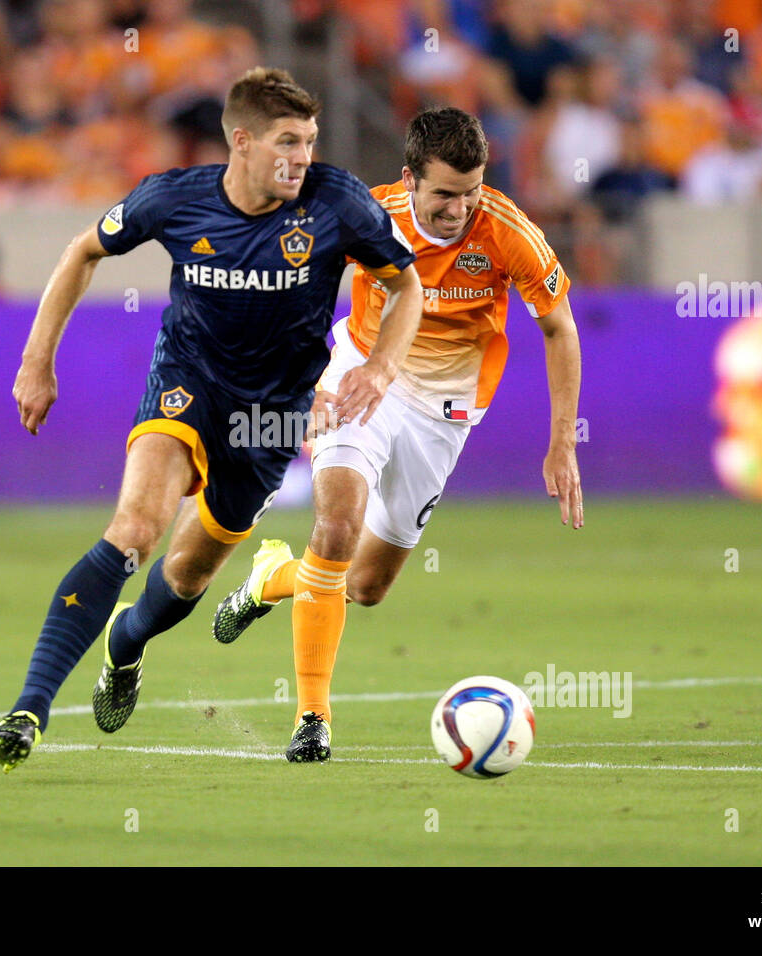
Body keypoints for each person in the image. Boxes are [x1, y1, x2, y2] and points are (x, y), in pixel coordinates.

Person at [0, 67, 423, 772]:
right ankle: (28, 711)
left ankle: (125, 646)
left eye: (308, 141)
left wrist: (381, 367)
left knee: (186, 579)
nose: (302, 157)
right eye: (287, 141)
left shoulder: (335, 203)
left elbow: (409, 285)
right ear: (241, 143)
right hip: (187, 389)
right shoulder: (175, 198)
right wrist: (37, 363)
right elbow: (83, 251)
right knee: (133, 531)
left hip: (273, 419)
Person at [212, 107, 584, 761]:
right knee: (336, 523)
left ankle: (271, 578)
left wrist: (562, 443)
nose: (459, 208)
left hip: (444, 415)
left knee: (366, 585)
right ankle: (312, 719)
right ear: (410, 178)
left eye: (470, 192)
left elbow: (560, 329)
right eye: (444, 193)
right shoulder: (364, 215)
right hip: (362, 380)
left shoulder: (505, 232)